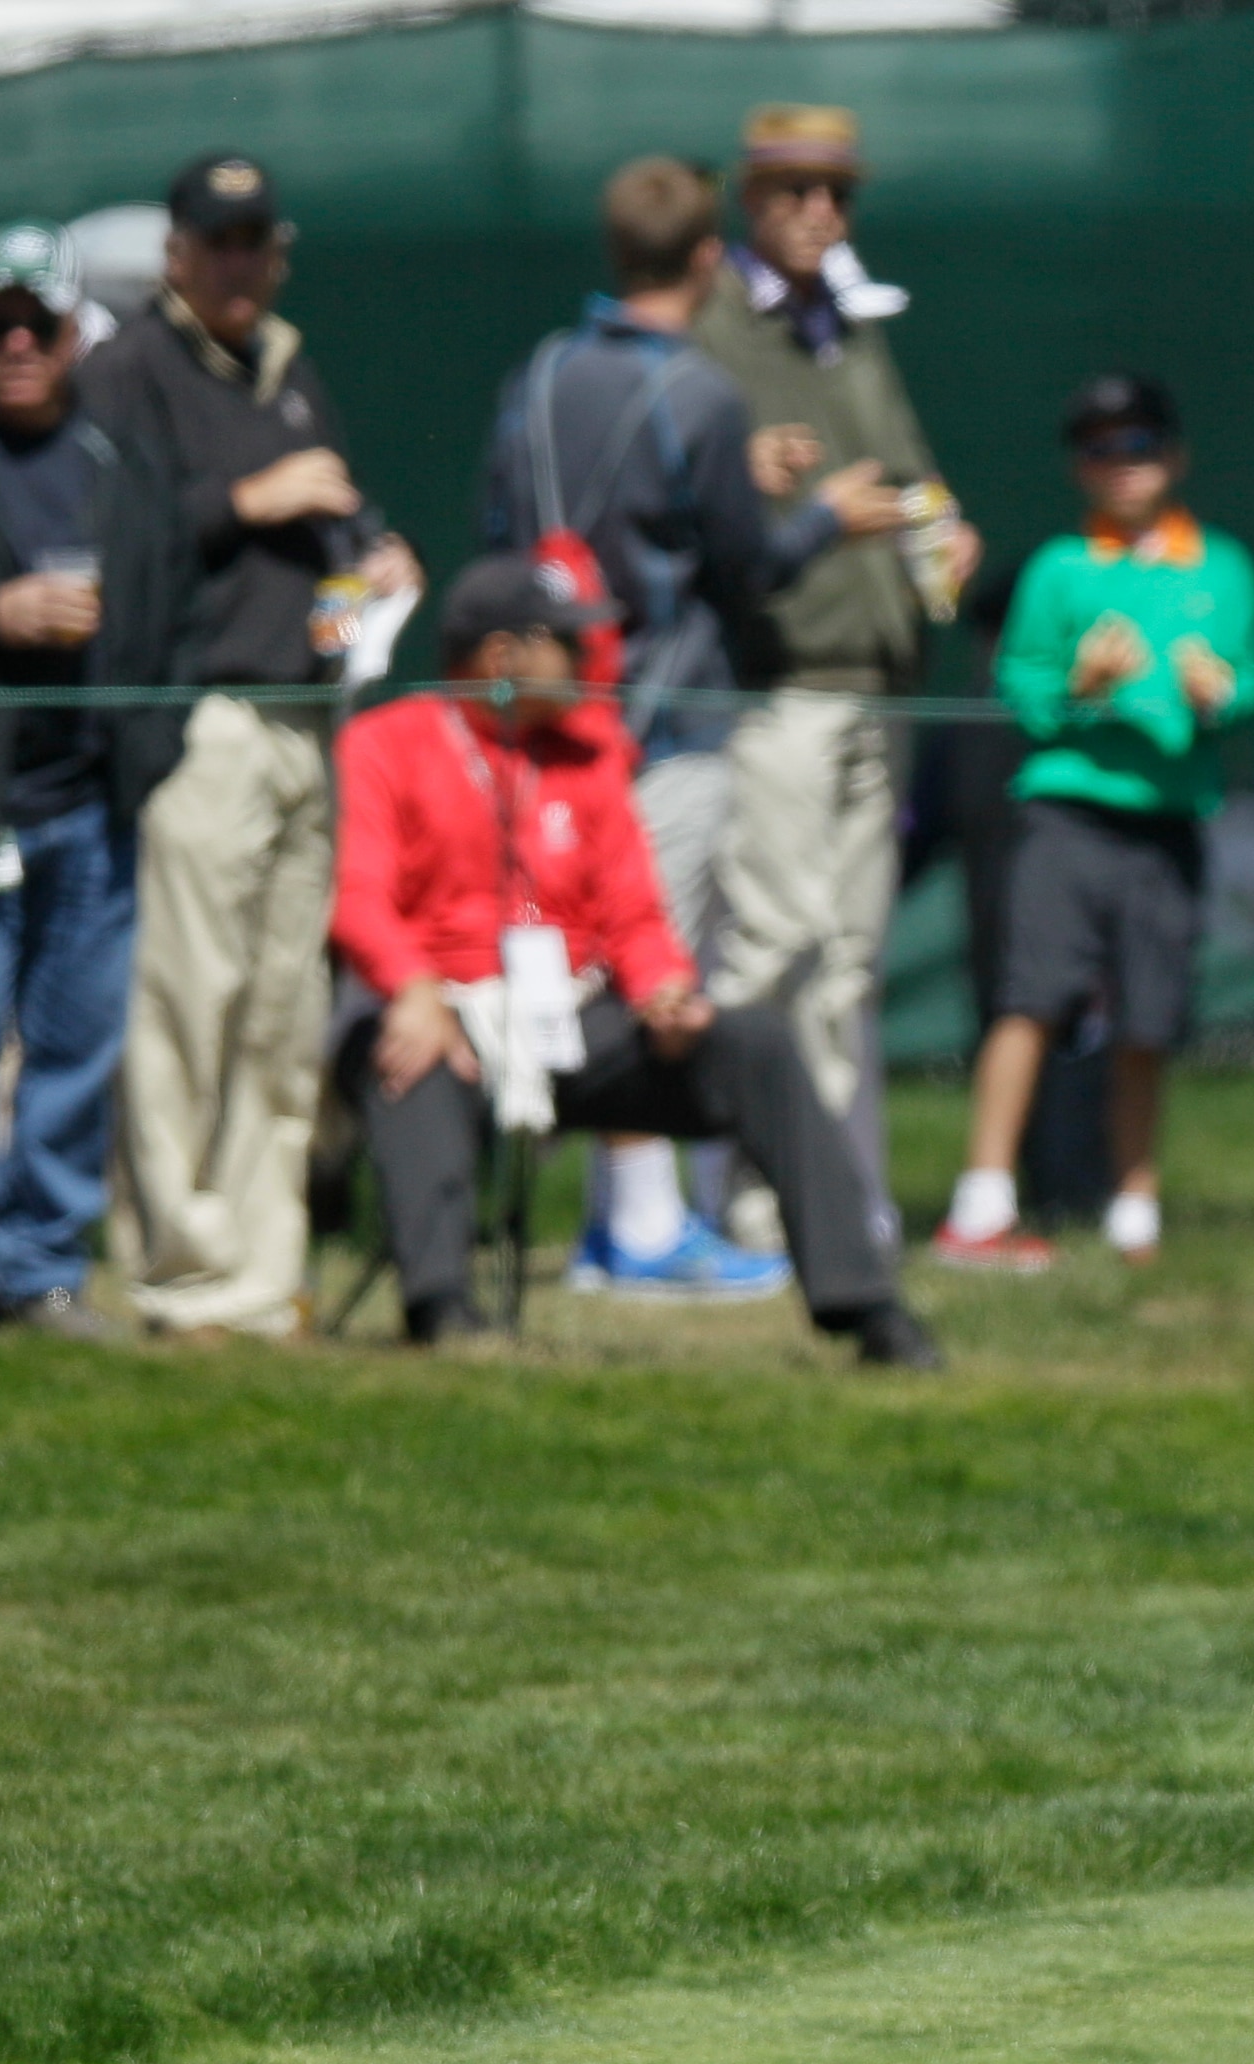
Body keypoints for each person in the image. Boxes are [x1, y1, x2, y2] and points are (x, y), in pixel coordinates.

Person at [325, 556, 940, 1370]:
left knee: (755, 1043)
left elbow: (634, 914)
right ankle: (439, 1306)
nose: (590, 662)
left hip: (569, 1014)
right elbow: (358, 900)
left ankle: (867, 1308)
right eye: (567, 645)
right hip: (445, 1006)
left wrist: (665, 991)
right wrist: (412, 990)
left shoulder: (592, 753)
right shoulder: (385, 742)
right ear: (499, 658)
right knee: (407, 1061)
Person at [481, 152, 838, 1305]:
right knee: (643, 973)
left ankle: (612, 1224)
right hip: (664, 730)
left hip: (546, 733)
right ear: (705, 260)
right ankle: (640, 1230)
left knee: (571, 961)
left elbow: (502, 542)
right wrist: (827, 514)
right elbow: (747, 565)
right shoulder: (700, 391)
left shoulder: (536, 373)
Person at [81, 151, 422, 1336]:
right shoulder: (129, 370)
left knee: (284, 1009)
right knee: (189, 1002)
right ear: (176, 254)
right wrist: (244, 502)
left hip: (307, 714)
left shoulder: (286, 366)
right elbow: (116, 546)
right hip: (204, 721)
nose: (239, 262)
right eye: (217, 241)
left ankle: (266, 1268)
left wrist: (377, 563)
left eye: (257, 241)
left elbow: (334, 516)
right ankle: (180, 1268)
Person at [0, 224, 189, 1337]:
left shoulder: (123, 466)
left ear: (72, 335)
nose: (18, 343)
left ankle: (47, 1263)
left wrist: (149, 757)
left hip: (90, 805)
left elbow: (169, 626)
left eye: (39, 325)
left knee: (74, 1044)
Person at [694, 104, 976, 1250]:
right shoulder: (714, 330)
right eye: (795, 191)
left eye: (837, 193)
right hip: (777, 681)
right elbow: (703, 505)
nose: (819, 213)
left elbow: (909, 474)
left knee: (850, 963)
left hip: (879, 675)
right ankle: (750, 1199)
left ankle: (834, 1197)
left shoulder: (848, 324)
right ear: (749, 199)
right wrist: (810, 513)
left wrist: (943, 525)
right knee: (768, 950)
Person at [946, 370, 1254, 1271]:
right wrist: (1080, 691)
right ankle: (983, 1197)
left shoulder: (1225, 566)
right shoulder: (1056, 569)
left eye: (1139, 446)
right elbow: (1026, 694)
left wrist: (1219, 697)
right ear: (1080, 467)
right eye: (1100, 450)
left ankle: (1135, 1202)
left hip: (1166, 816)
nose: (1123, 466)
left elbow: (1242, 688)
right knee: (1029, 997)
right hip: (1065, 816)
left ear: (1173, 455)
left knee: (1149, 1017)